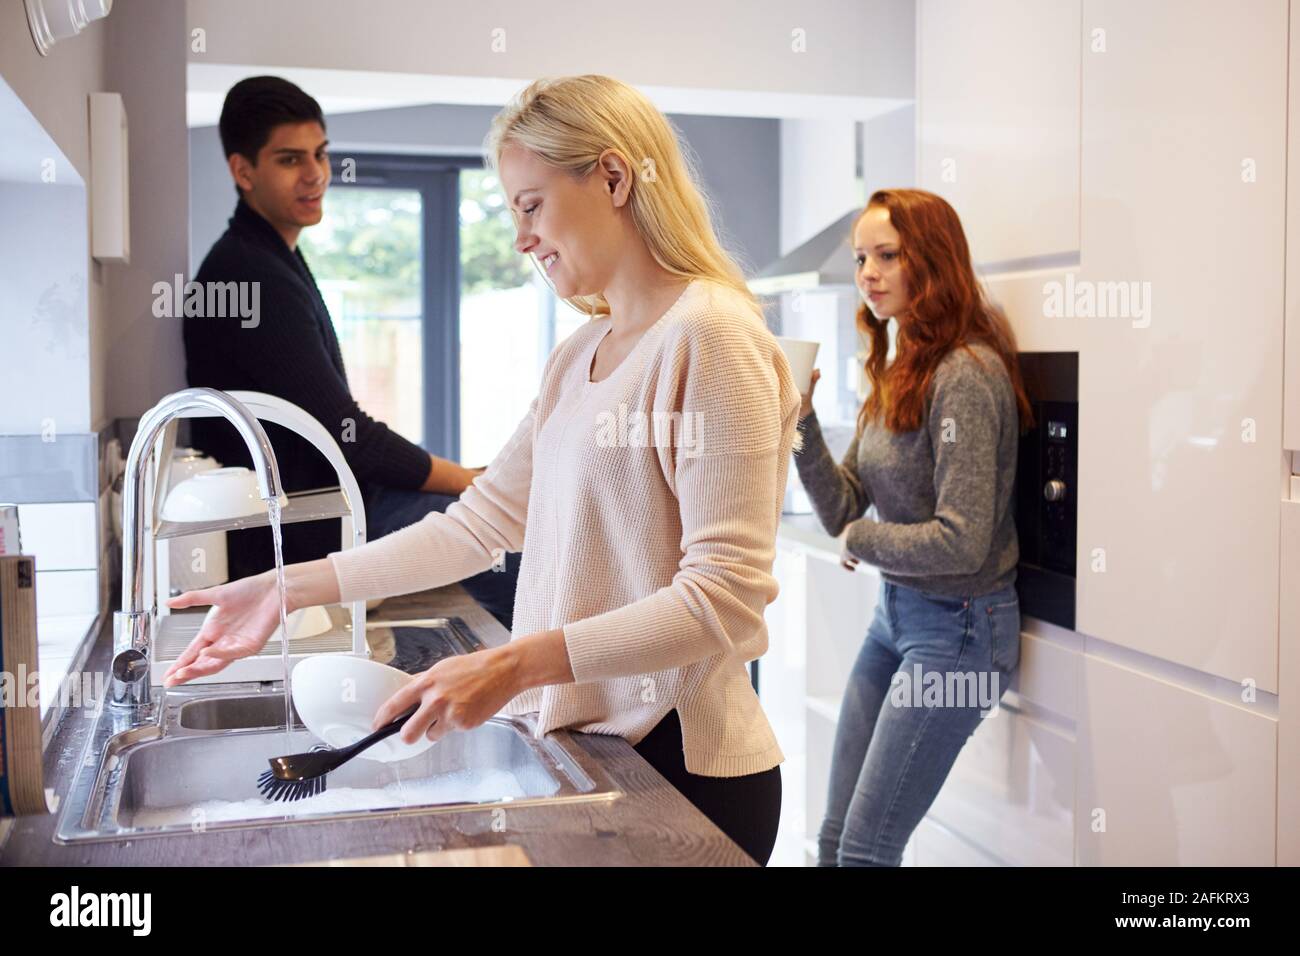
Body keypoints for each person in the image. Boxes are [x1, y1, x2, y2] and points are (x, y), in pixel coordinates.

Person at [164, 74, 801, 866]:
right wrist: (286, 586)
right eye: (514, 213)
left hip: (684, 771)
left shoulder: (712, 335)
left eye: (531, 205)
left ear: (612, 177)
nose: (522, 238)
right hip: (595, 749)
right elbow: (480, 522)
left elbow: (724, 600)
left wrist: (512, 663)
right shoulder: (578, 355)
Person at [183, 75, 520, 630]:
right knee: (492, 536)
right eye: (290, 159)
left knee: (491, 531)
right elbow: (348, 435)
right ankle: (567, 685)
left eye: (319, 154)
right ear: (243, 171)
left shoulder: (266, 258)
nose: (315, 174)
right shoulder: (249, 274)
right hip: (304, 525)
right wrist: (467, 480)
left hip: (322, 509)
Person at [794, 188, 1034, 866]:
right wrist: (799, 422)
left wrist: (861, 543)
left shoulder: (964, 374)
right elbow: (843, 507)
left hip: (961, 630)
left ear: (930, 260)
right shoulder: (899, 369)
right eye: (861, 258)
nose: (867, 273)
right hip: (897, 616)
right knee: (837, 840)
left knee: (867, 850)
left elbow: (962, 539)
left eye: (887, 256)